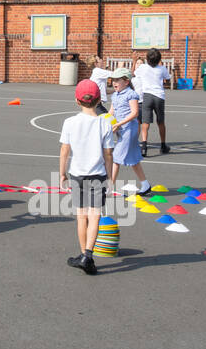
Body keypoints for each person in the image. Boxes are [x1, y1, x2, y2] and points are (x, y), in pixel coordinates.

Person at [59, 79, 116, 275]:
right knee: (95, 216)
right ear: (99, 100)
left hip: (77, 174)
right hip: (97, 174)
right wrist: (110, 178)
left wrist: (62, 174)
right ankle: (88, 255)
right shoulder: (105, 124)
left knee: (81, 217)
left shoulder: (70, 122)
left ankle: (84, 254)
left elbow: (64, 151)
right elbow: (108, 154)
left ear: (77, 101)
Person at [107, 68, 152, 195]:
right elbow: (111, 112)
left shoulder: (131, 94)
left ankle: (109, 188)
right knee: (133, 160)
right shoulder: (115, 95)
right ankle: (145, 184)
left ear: (126, 82)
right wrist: (104, 122)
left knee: (116, 159)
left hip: (129, 130)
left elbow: (135, 113)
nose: (114, 83)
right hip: (121, 130)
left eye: (117, 80)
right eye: (113, 80)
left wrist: (119, 123)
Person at [134, 48, 170, 155]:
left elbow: (134, 73)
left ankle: (144, 145)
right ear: (159, 59)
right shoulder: (162, 68)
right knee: (160, 121)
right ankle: (163, 145)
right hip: (159, 96)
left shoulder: (143, 68)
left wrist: (134, 60)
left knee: (145, 122)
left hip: (147, 96)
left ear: (147, 59)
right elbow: (167, 78)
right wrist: (160, 65)